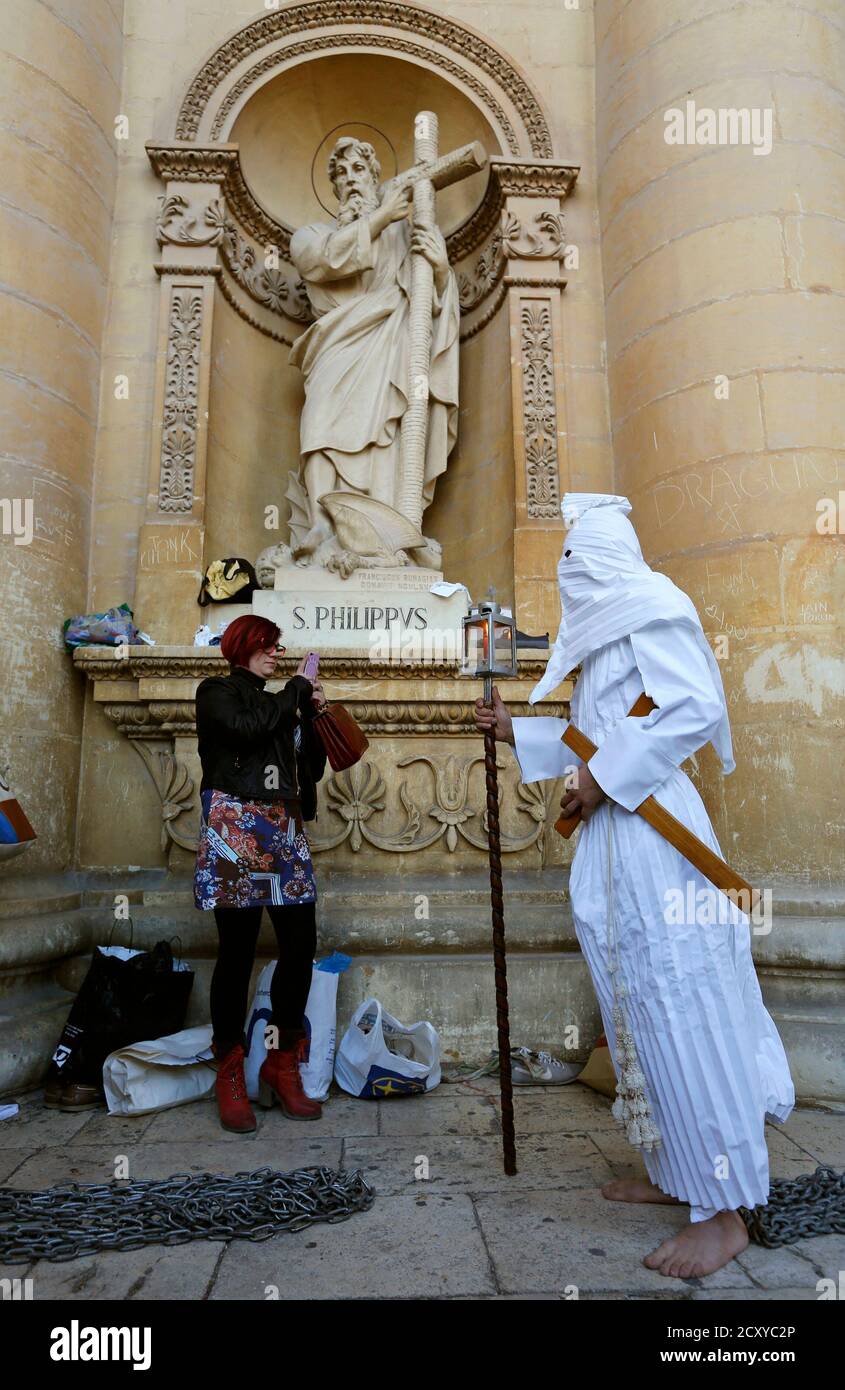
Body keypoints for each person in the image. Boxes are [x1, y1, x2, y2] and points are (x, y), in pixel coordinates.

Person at [474, 493, 794, 1279]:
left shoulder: (653, 607)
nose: (567, 577)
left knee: (682, 1004)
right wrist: (521, 732)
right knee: (637, 1011)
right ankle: (675, 1172)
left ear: (603, 560)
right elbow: (601, 733)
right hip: (619, 845)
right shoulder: (610, 636)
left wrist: (600, 784)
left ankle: (723, 1214)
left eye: (574, 561)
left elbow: (692, 707)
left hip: (658, 844)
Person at [288, 135, 459, 567]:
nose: (350, 180)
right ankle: (323, 525)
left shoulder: (407, 236)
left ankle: (387, 537)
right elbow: (320, 261)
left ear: (375, 175)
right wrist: (381, 217)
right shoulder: (313, 234)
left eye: (358, 170)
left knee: (392, 432)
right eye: (341, 174)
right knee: (321, 424)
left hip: (393, 351)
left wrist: (440, 272)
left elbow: (436, 308)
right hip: (335, 349)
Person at [194, 614, 328, 1132]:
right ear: (244, 645)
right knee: (237, 952)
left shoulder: (284, 705)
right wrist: (294, 691)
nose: (276, 652)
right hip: (235, 831)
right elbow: (246, 729)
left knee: (300, 946)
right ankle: (229, 1071)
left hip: (285, 830)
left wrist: (312, 715)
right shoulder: (217, 692)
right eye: (269, 645)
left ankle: (282, 1062)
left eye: (279, 646)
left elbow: (311, 769)